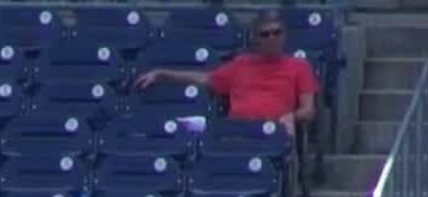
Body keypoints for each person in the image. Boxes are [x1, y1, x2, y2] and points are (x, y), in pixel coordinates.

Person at [135, 10, 317, 136]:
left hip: (272, 131)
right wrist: (164, 74)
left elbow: (308, 110)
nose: (272, 38)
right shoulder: (241, 63)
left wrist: (292, 116)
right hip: (235, 132)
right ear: (256, 39)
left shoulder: (299, 66)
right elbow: (205, 78)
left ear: (285, 35)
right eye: (265, 34)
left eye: (276, 33)